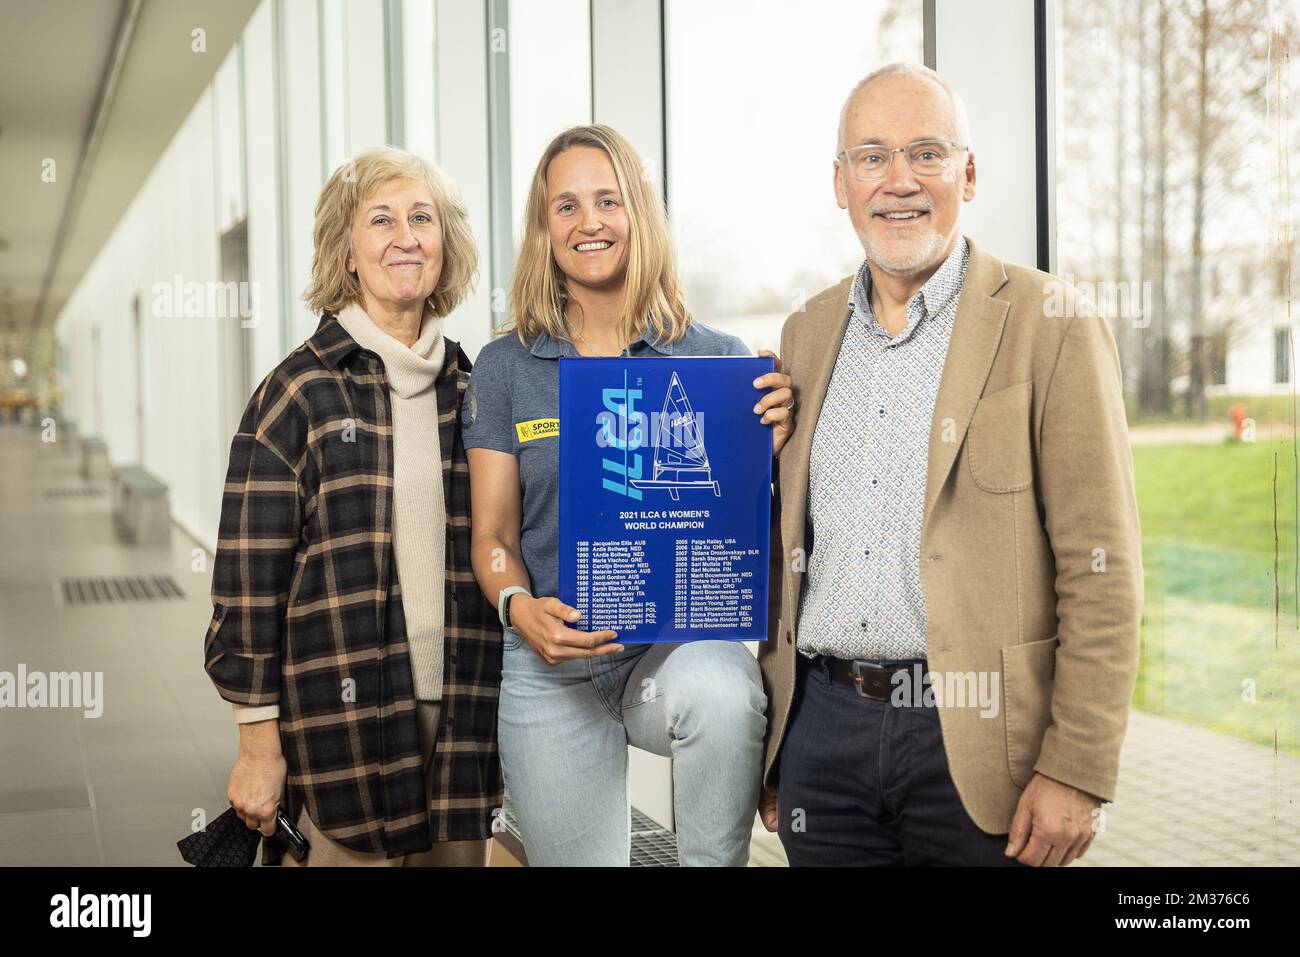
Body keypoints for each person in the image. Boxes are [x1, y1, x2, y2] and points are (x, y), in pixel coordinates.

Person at [758, 62, 1142, 867]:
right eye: (872, 157)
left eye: (926, 153)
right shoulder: (807, 334)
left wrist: (1077, 767)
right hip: (823, 741)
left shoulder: (1052, 325)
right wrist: (775, 741)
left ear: (968, 172)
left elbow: (1103, 569)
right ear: (840, 182)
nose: (899, 180)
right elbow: (779, 551)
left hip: (980, 745)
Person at [464, 124, 794, 866]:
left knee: (723, 689)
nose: (589, 222)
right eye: (567, 205)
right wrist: (520, 607)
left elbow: (753, 527)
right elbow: (492, 535)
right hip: (550, 663)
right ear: (544, 228)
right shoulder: (505, 366)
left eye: (608, 200)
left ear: (639, 213)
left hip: (665, 656)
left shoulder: (718, 360)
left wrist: (768, 449)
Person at [205, 147, 503, 866]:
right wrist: (256, 740)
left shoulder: (477, 389)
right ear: (347, 251)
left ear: (446, 241)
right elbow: (248, 583)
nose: (405, 236)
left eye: (422, 217)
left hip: (464, 714)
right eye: (381, 219)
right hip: (343, 722)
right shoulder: (297, 395)